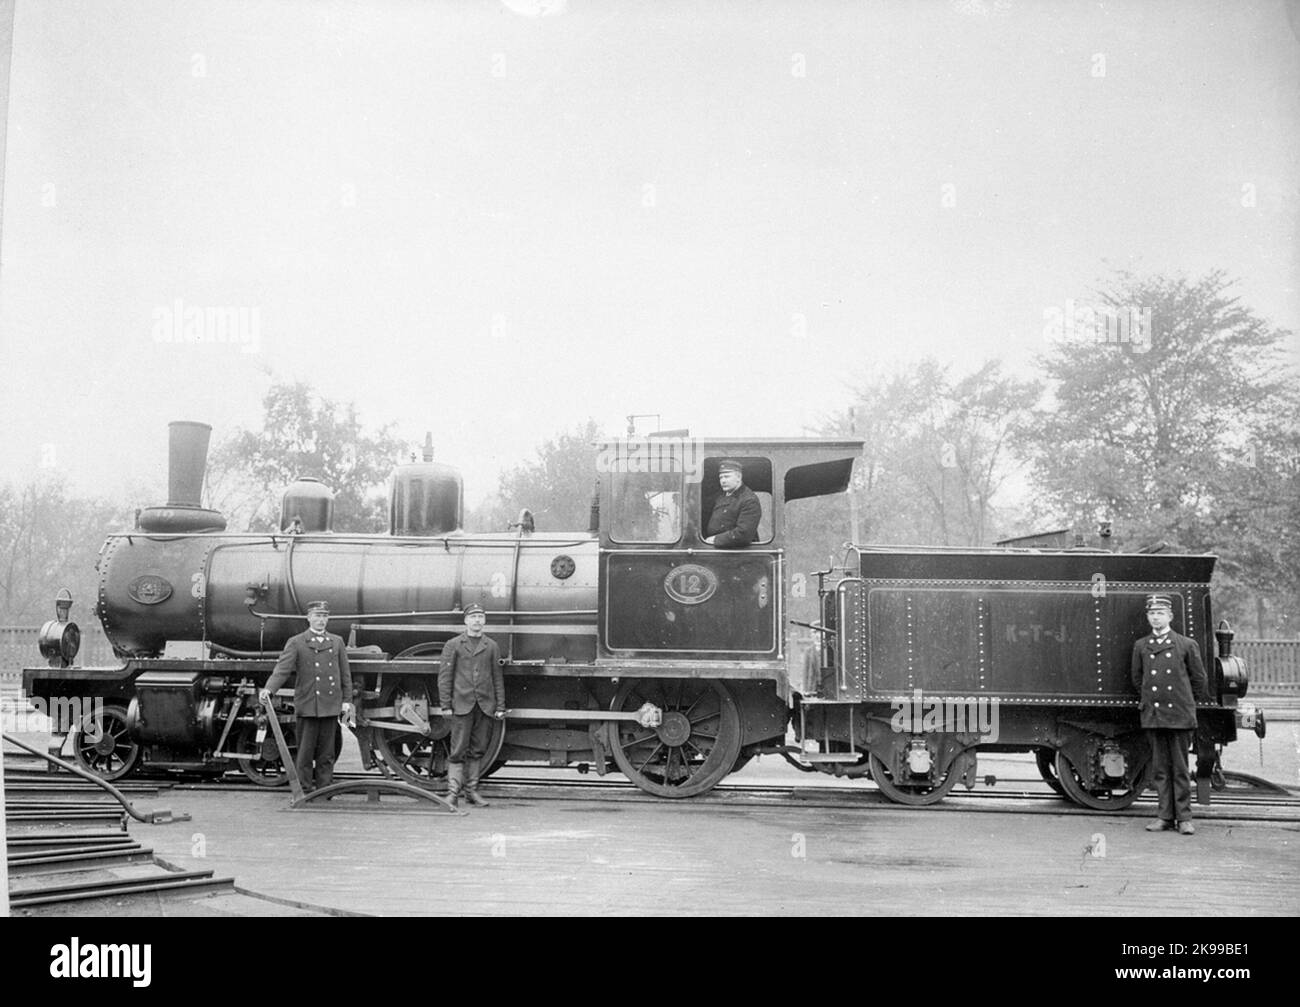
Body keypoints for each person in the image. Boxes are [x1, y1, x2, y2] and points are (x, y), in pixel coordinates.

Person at [1130, 594, 1210, 836]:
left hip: (1179, 716)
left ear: (1170, 617)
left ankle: (1184, 818)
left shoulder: (1186, 644)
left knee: (1180, 768)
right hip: (1154, 715)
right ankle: (1164, 817)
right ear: (1148, 617)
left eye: (1160, 613)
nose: (1156, 617)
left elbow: (1199, 681)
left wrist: (1182, 702)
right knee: (1160, 770)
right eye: (1152, 613)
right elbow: (1137, 679)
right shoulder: (1141, 646)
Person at [260, 600, 353, 793]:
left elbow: (345, 675)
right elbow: (282, 670)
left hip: (331, 706)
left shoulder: (337, 642)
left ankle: (324, 791)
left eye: (324, 616)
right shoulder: (296, 642)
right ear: (309, 618)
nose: (321, 620)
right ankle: (303, 790)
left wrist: (347, 703)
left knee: (327, 753)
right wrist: (269, 689)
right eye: (317, 616)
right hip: (308, 704)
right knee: (305, 752)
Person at [438, 603, 505, 809]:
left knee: (477, 750)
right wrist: (446, 705)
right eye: (473, 617)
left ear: (484, 621)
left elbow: (497, 678)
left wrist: (500, 706)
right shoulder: (454, 644)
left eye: (480, 617)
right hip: (461, 704)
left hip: (484, 705)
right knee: (457, 750)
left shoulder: (491, 646)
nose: (477, 620)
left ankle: (472, 791)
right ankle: (452, 793)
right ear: (466, 620)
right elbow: (445, 677)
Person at [702, 459, 761, 548]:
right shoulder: (720, 497)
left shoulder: (749, 500)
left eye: (727, 476)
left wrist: (715, 539)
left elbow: (743, 534)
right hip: (717, 549)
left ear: (739, 477)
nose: (723, 481)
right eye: (721, 477)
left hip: (738, 554)